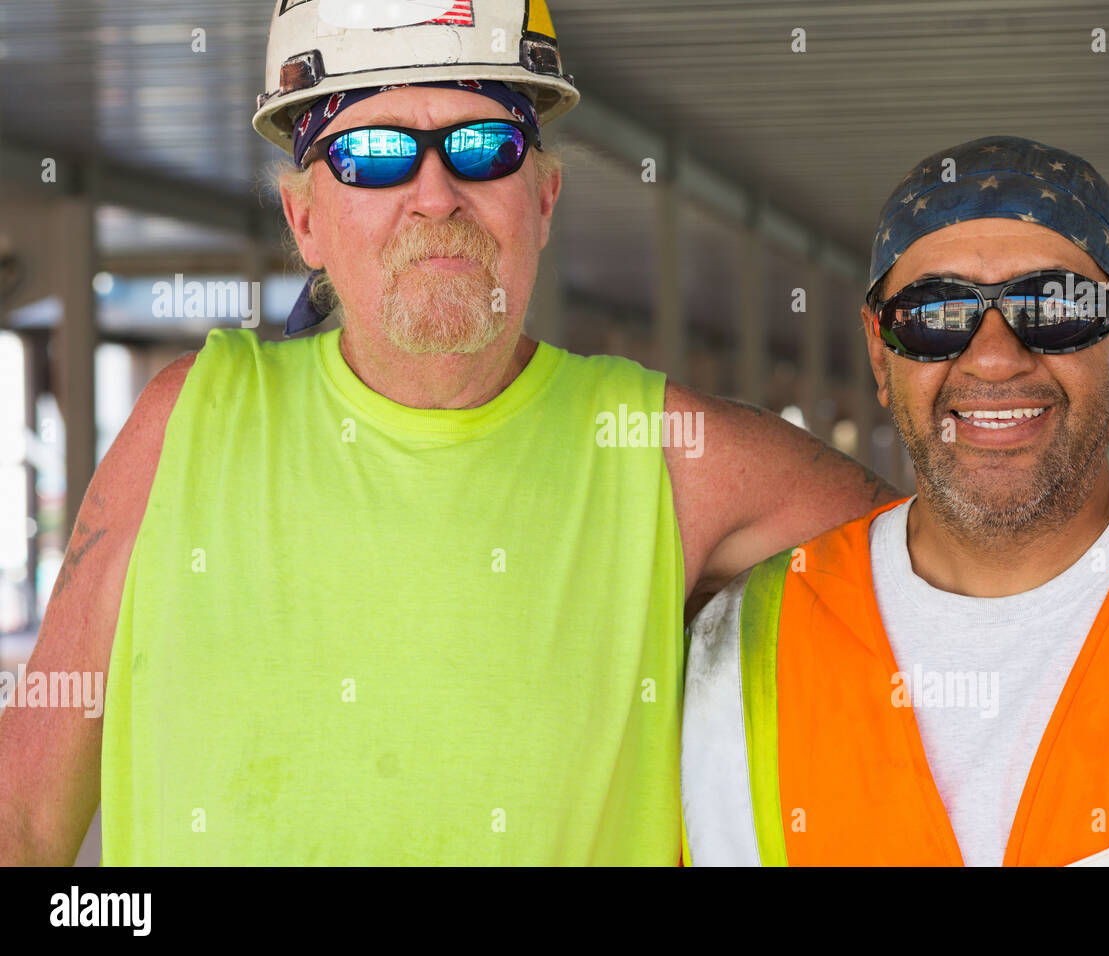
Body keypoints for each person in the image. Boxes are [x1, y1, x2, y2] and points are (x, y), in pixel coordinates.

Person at [0, 0, 899, 865]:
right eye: (373, 153)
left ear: (544, 200)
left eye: (483, 146)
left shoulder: (667, 454)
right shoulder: (184, 425)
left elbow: (967, 567)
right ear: (304, 219)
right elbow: (24, 820)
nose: (435, 194)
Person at [680, 134, 1109, 866]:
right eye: (935, 313)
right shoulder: (744, 640)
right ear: (881, 356)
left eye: (1054, 305)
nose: (996, 357)